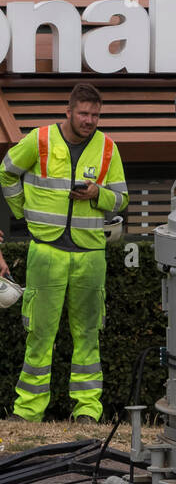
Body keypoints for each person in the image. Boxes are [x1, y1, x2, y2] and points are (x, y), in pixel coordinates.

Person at [0, 83, 128, 423]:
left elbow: (122, 199)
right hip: (46, 251)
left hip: (90, 255)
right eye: (84, 113)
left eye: (95, 115)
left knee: (88, 335)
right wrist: (21, 212)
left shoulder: (107, 149)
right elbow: (7, 171)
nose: (89, 120)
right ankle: (28, 411)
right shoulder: (40, 140)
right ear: (68, 111)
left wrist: (98, 194)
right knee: (39, 334)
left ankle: (87, 411)